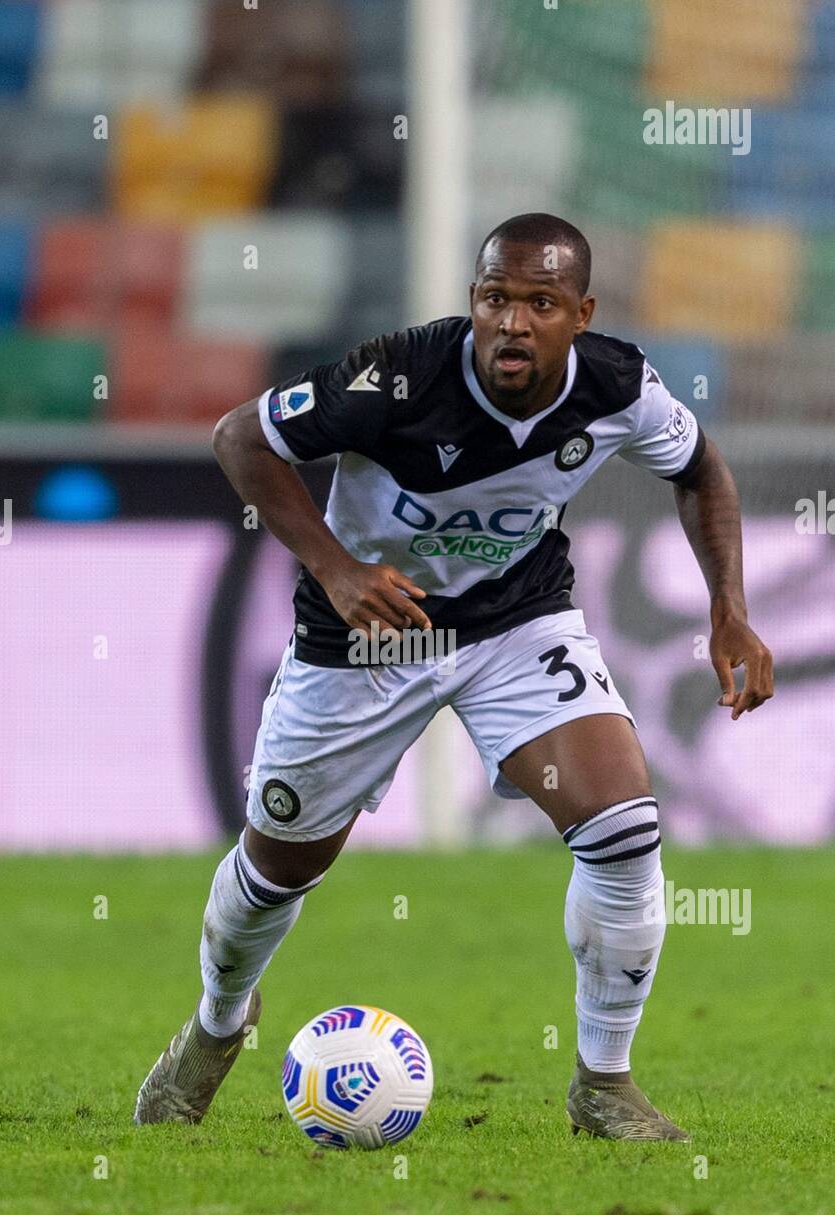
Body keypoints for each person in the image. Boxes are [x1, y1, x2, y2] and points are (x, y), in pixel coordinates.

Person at [134, 212, 773, 1139]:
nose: (512, 322)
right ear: (473, 302)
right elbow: (242, 438)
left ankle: (603, 1082)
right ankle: (216, 1026)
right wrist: (336, 568)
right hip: (367, 639)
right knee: (277, 870)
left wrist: (728, 609)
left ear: (580, 314)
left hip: (514, 624)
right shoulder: (399, 375)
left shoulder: (618, 384)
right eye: (495, 299)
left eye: (539, 303)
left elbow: (701, 470)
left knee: (625, 828)